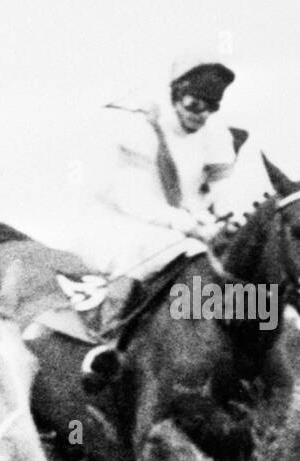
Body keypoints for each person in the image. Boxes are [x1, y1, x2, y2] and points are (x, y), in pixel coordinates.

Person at [64, 55, 249, 337]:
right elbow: (134, 200)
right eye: (194, 104)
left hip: (188, 223)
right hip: (120, 219)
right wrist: (191, 225)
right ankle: (106, 334)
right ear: (176, 95)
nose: (201, 114)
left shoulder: (214, 135)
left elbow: (223, 192)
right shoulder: (140, 126)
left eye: (211, 107)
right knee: (160, 249)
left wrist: (227, 222)